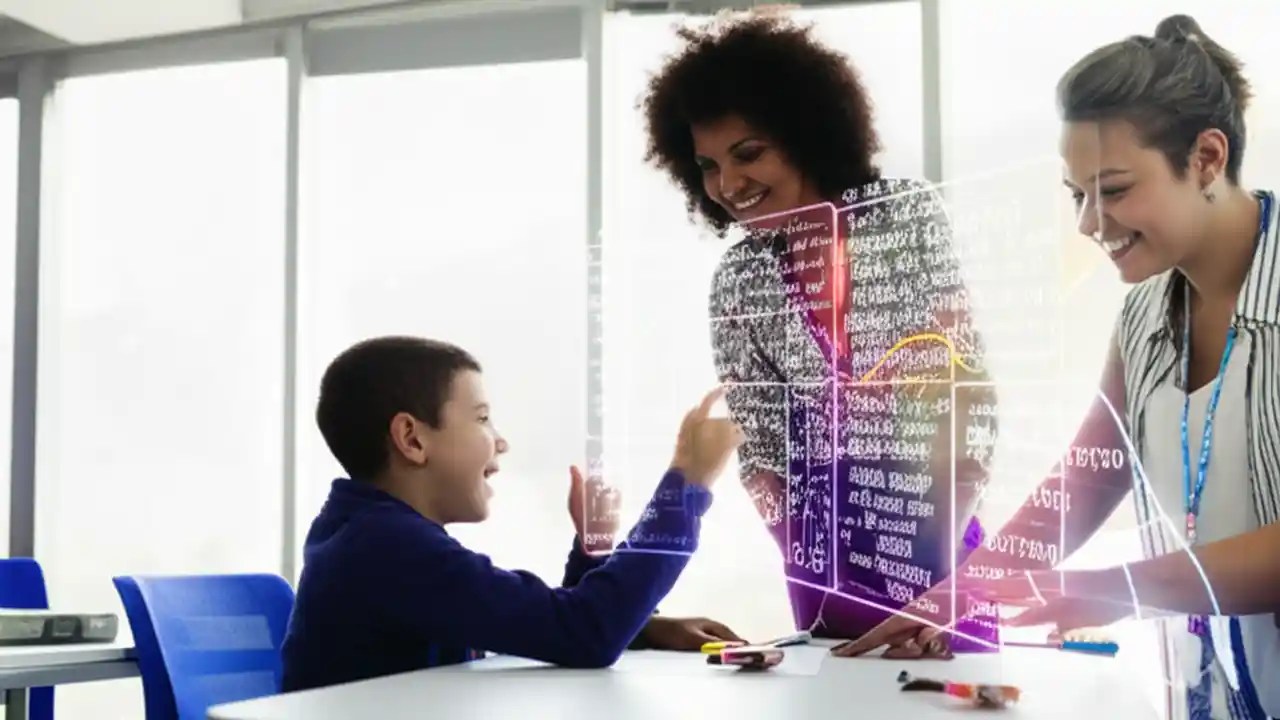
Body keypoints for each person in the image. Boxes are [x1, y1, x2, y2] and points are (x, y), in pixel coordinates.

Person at [839, 14, 1280, 720]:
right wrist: (960, 594)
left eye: (1114, 189)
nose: (1088, 222)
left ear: (1205, 157)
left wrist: (1116, 587)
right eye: (1078, 194)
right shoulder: (1143, 317)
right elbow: (1085, 480)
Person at [640, 8, 996, 656]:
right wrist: (817, 566)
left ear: (805, 133)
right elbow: (762, 457)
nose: (728, 184)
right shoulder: (738, 279)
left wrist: (929, 572)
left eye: (749, 153)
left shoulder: (902, 215)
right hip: (825, 582)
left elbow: (964, 401)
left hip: (943, 563)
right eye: (709, 165)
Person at [280, 336, 744, 692]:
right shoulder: (384, 547)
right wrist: (689, 483)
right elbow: (584, 634)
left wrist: (625, 602)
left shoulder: (366, 534)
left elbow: (545, 628)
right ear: (412, 439)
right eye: (482, 418)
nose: (500, 441)